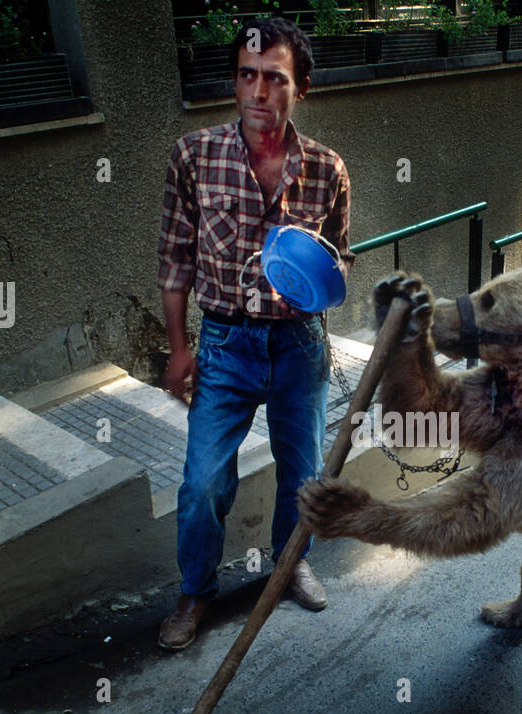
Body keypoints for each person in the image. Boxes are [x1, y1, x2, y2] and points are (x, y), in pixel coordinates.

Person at [156, 17, 353, 651]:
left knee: (303, 474)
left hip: (298, 346)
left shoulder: (327, 170)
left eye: (275, 78)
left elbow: (341, 258)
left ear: (301, 88)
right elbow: (175, 258)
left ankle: (290, 561)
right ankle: (194, 591)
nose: (259, 91)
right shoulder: (193, 156)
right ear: (233, 83)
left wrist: (319, 278)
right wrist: (180, 347)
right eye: (247, 75)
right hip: (225, 345)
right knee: (205, 482)